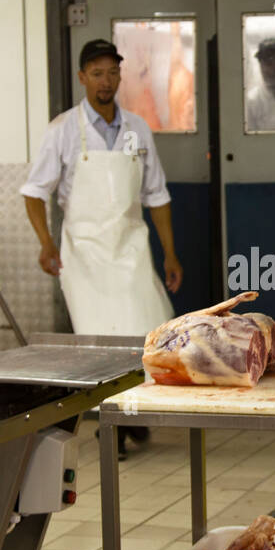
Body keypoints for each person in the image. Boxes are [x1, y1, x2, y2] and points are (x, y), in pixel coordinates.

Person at [21, 38, 184, 458]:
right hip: (85, 255)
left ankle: (134, 414)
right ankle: (114, 426)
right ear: (82, 78)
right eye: (97, 73)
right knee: (101, 347)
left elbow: (157, 195)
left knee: (145, 333)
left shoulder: (138, 129)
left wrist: (170, 253)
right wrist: (46, 243)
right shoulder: (62, 131)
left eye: (113, 72)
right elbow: (33, 192)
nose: (106, 81)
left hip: (130, 248)